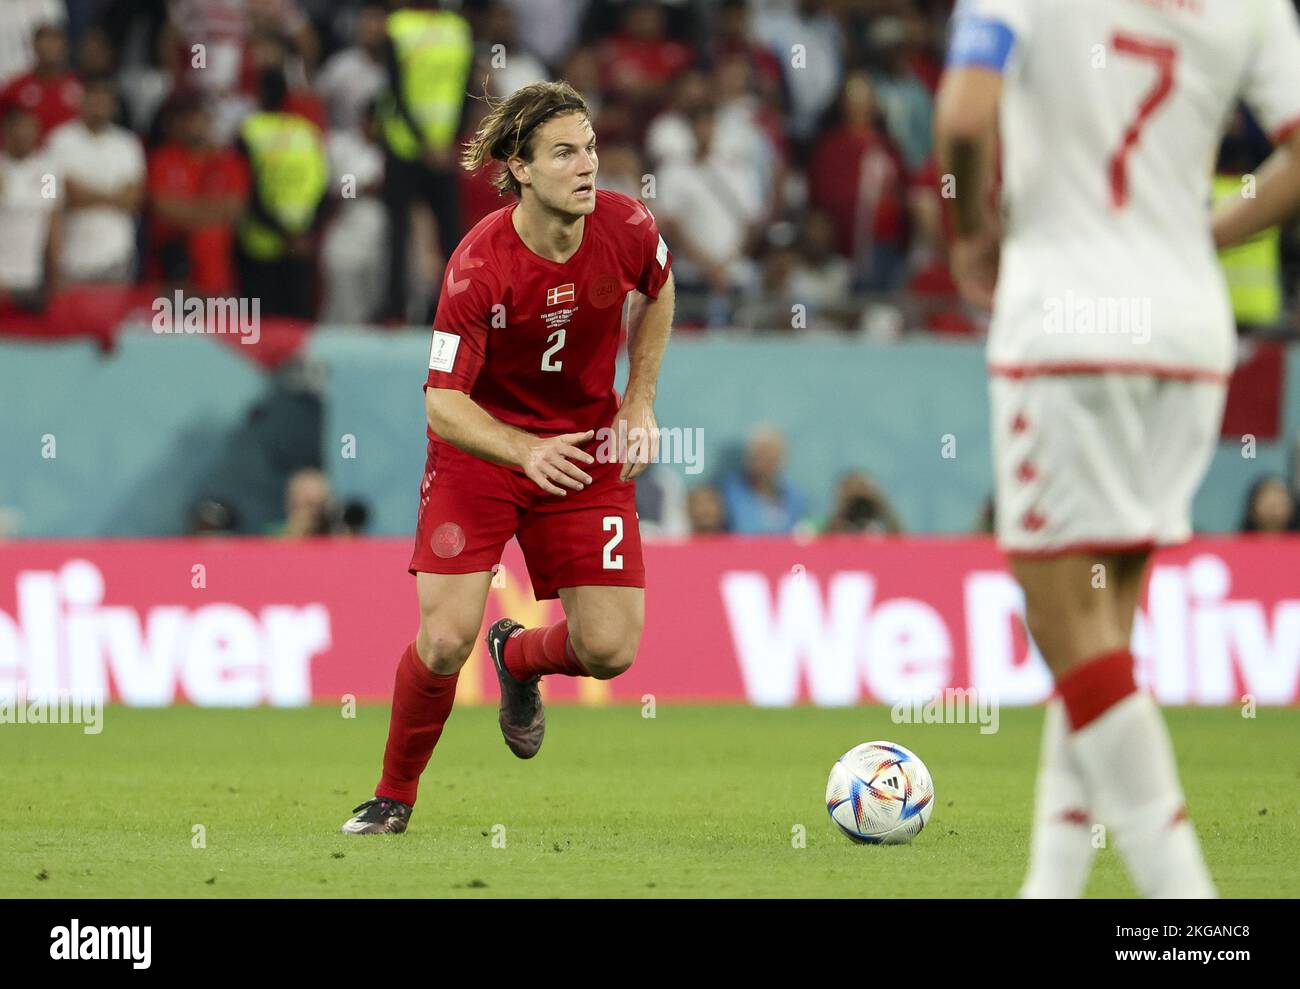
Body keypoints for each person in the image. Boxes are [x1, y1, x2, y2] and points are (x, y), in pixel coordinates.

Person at [936, 0, 1300, 899]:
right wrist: (1198, 235)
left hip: (1067, 324)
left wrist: (973, 229)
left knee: (1064, 625)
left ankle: (1188, 911)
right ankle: (1050, 887)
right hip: (1187, 334)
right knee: (1103, 632)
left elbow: (963, 117)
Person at [340, 80, 675, 835]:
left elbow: (659, 288)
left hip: (583, 451)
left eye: (589, 147)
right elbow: (442, 403)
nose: (587, 165)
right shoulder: (476, 268)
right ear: (519, 167)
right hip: (483, 452)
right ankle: (393, 796)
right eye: (564, 153)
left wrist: (638, 400)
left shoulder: (626, 225)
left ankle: (519, 659)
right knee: (445, 637)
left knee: (610, 649)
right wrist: (522, 449)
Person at [47, 74, 144, 283]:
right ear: (82, 101)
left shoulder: (128, 144)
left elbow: (133, 200)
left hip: (117, 255)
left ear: (114, 106)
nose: (100, 105)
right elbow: (51, 197)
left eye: (105, 100)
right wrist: (113, 197)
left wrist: (82, 193)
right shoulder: (57, 141)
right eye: (94, 99)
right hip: (70, 257)